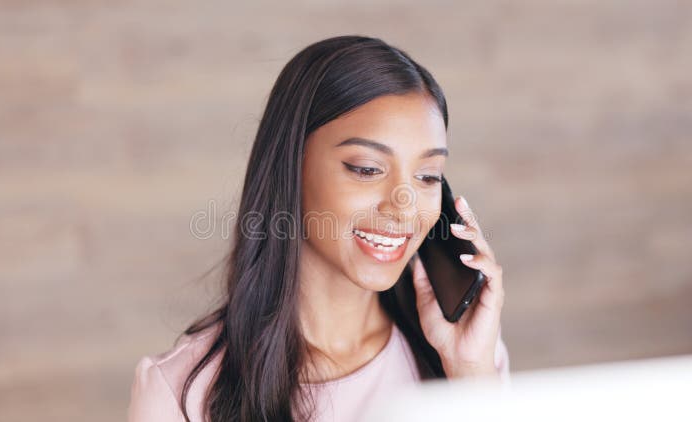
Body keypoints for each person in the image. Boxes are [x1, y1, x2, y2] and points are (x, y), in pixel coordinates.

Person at [128, 35, 510, 422]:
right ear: (292, 167)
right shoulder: (180, 393)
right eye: (366, 169)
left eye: (428, 176)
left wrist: (471, 377)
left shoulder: (468, 355)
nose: (404, 205)